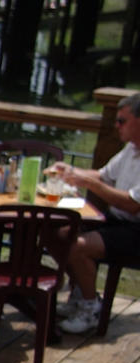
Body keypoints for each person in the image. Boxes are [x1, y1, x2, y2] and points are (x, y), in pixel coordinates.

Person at [50, 91, 140, 334]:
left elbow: (133, 204)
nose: (116, 125)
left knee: (76, 246)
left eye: (122, 121)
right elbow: (102, 175)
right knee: (56, 233)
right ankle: (80, 292)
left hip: (135, 230)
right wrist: (70, 171)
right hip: (117, 221)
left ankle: (91, 308)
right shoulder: (131, 149)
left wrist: (88, 183)